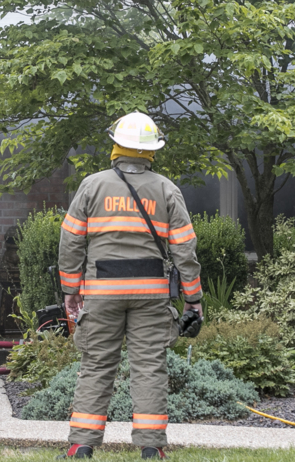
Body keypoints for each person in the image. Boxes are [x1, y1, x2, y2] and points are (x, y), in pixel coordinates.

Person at [57, 112, 204, 460]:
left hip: (101, 293)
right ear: (152, 150)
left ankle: (81, 445)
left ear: (116, 147)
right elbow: (185, 249)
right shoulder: (167, 189)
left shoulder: (92, 185)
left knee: (96, 365)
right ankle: (152, 447)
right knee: (150, 367)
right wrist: (193, 298)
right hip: (151, 296)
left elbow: (71, 240)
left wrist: (71, 290)